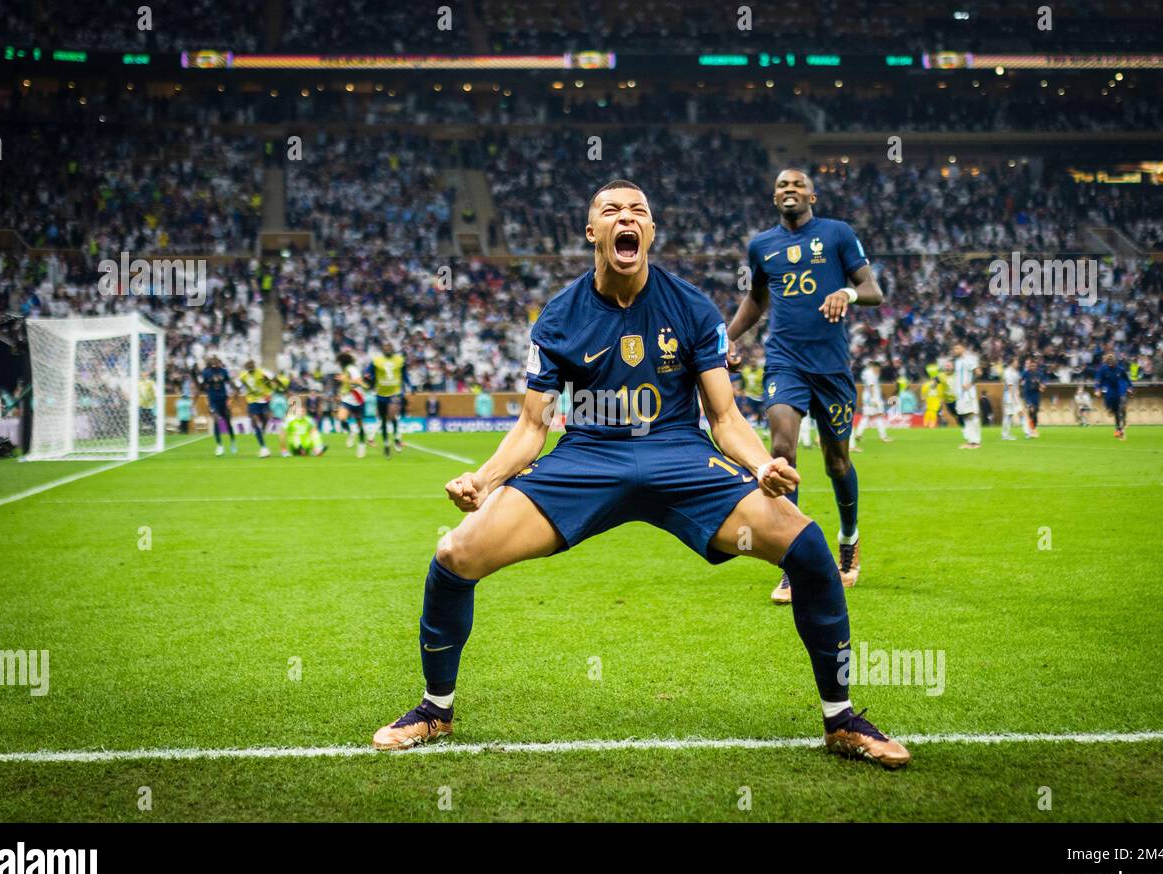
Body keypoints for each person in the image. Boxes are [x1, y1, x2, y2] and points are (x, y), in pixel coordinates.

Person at [371, 180, 909, 769]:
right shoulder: (559, 316)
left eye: (638, 212)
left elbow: (724, 417)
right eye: (612, 210)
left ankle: (841, 720)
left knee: (806, 546)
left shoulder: (693, 307)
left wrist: (762, 465)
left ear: (650, 232)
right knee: (455, 554)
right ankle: (435, 710)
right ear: (593, 232)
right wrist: (485, 479)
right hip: (588, 459)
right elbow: (532, 426)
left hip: (680, 456)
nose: (626, 217)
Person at [725, 168, 883, 600]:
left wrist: (847, 294)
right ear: (774, 197)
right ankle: (794, 560)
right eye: (782, 185)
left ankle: (848, 539)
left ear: (812, 195)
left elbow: (873, 289)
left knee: (837, 463)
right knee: (782, 451)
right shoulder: (761, 245)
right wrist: (728, 338)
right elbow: (757, 299)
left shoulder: (837, 234)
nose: (789, 190)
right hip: (784, 363)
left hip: (831, 367)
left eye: (797, 185)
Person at [366, 340, 406, 457]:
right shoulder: (377, 361)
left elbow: (404, 374)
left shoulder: (399, 360)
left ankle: (396, 439)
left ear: (392, 348)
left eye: (389, 346)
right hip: (381, 394)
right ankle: (386, 443)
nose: (388, 348)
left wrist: (409, 385)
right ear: (382, 349)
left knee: (393, 416)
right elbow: (369, 373)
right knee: (383, 420)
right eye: (385, 346)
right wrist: (368, 378)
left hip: (395, 393)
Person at [238, 359, 277, 458]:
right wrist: (243, 391)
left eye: (252, 368)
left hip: (264, 399)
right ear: (246, 368)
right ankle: (263, 448)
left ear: (254, 366)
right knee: (255, 421)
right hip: (252, 400)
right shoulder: (243, 376)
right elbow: (241, 386)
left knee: (265, 419)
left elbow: (273, 381)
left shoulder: (263, 372)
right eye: (248, 368)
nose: (250, 369)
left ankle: (261, 434)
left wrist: (270, 389)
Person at [199, 355, 237, 456]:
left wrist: (234, 390)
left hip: (223, 400)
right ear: (210, 363)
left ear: (219, 363)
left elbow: (229, 382)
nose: (214, 364)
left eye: (216, 362)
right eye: (213, 362)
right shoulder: (206, 373)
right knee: (216, 420)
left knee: (228, 422)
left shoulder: (223, 371)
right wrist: (203, 390)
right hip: (213, 400)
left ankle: (232, 441)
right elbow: (202, 385)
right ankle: (219, 446)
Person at [851, 361, 891, 452]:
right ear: (874, 367)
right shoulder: (869, 374)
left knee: (867, 416)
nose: (878, 371)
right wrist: (874, 399)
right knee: (878, 415)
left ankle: (858, 434)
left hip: (869, 397)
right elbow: (871, 386)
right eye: (878, 369)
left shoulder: (867, 373)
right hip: (871, 397)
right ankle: (883, 436)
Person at [335, 351, 368, 459]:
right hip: (347, 400)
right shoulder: (345, 370)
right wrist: (340, 393)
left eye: (339, 362)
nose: (338, 365)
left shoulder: (352, 369)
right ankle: (351, 432)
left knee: (360, 425)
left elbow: (359, 381)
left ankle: (362, 445)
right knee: (341, 418)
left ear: (343, 361)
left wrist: (345, 379)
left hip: (358, 399)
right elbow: (346, 385)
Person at [1095, 352, 1131, 439]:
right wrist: (1097, 389)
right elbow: (1098, 380)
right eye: (1109, 362)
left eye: (1112, 362)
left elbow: (1127, 379)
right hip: (1108, 390)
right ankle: (1110, 409)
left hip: (1118, 391)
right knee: (1112, 409)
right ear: (1107, 362)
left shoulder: (1120, 369)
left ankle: (1119, 429)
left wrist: (1130, 387)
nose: (1110, 363)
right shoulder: (1103, 369)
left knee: (1118, 410)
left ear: (1115, 361)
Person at [953, 343, 981, 449]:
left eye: (957, 348)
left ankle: (976, 442)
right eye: (954, 349)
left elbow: (978, 372)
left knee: (972, 415)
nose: (955, 350)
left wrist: (970, 384)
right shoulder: (957, 361)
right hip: (960, 394)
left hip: (968, 393)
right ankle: (970, 441)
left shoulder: (970, 359)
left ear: (963, 348)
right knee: (965, 416)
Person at [1021, 356, 1046, 438]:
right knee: (1032, 409)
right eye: (1031, 366)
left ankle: (1033, 428)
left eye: (1034, 366)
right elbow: (1020, 381)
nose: (1033, 367)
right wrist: (1021, 385)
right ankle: (1032, 429)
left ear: (1036, 366)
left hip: (1036, 395)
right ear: (1029, 366)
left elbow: (1043, 385)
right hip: (1028, 395)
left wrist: (1042, 386)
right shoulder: (1026, 373)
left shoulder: (1040, 374)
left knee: (1035, 412)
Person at [1001, 361, 1023, 441]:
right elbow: (1010, 385)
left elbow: (1017, 384)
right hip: (1009, 395)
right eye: (1016, 361)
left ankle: (1006, 434)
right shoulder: (1007, 372)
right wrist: (1013, 397)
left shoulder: (1016, 372)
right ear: (1012, 362)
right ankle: (1005, 435)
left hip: (1014, 394)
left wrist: (1017, 394)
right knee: (1008, 415)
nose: (1017, 363)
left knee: (1009, 415)